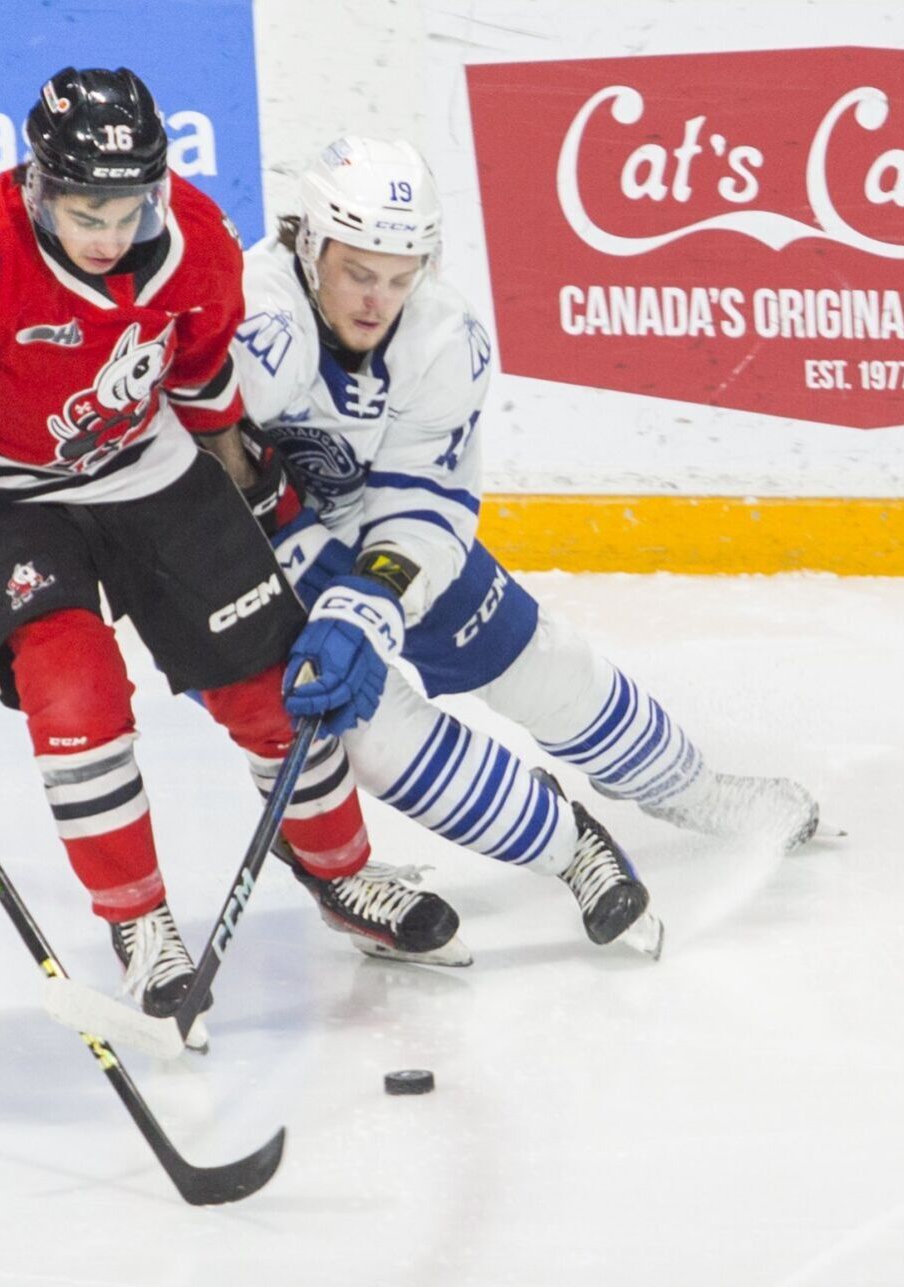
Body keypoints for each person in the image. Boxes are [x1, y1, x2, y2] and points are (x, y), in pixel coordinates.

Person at [0, 73, 465, 1027]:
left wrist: (242, 478)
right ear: (37, 184)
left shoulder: (196, 242)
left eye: (125, 210)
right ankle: (140, 925)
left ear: (158, 189)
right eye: (81, 210)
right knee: (76, 694)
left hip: (142, 461)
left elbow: (201, 367)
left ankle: (346, 876)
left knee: (270, 680)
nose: (104, 236)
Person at [228, 136, 819, 953]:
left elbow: (423, 500)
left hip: (373, 529)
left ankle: (688, 787)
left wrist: (374, 594)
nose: (378, 301)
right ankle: (564, 843)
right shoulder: (252, 311)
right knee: (368, 732)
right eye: (359, 273)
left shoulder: (442, 336)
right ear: (310, 243)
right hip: (258, 553)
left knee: (537, 662)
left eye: (400, 278)